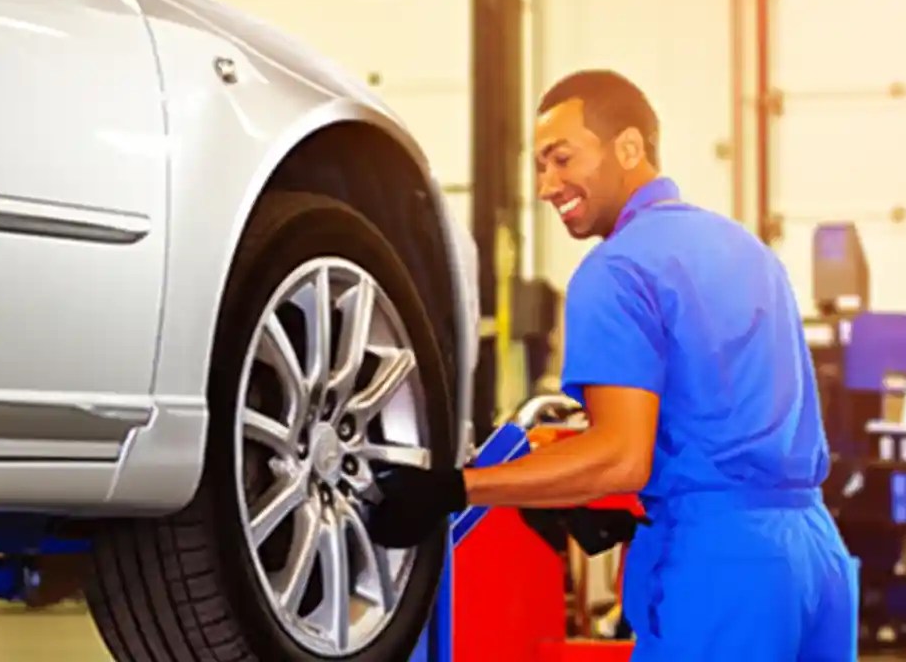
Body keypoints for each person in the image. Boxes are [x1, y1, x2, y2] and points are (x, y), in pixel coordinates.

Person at [366, 69, 859, 661]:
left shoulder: (616, 269)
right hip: (816, 555)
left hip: (722, 567)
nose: (547, 185)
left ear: (629, 147)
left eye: (562, 158)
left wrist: (455, 488)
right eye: (540, 166)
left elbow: (620, 456)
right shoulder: (746, 248)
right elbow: (718, 415)